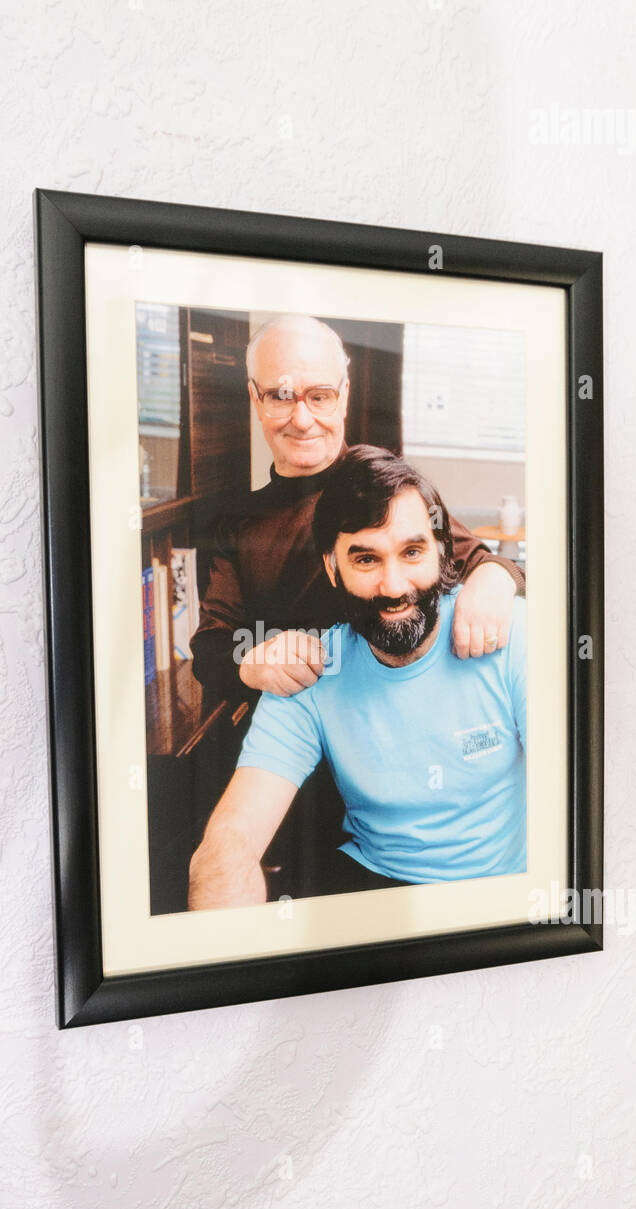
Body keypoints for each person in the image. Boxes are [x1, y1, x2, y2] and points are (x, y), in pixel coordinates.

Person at [188, 448, 526, 910]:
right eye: (366, 559)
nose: (393, 586)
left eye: (412, 552)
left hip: (498, 892)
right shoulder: (308, 669)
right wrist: (218, 874)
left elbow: (572, 801)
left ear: (442, 551)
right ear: (332, 566)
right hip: (371, 889)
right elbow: (231, 840)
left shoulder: (509, 633)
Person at [190, 314, 524, 706]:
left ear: (344, 396)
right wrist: (251, 662)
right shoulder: (235, 523)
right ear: (255, 399)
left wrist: (492, 583)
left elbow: (492, 565)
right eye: (281, 396)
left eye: (320, 396)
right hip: (294, 729)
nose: (302, 419)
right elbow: (210, 650)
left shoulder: (391, 488)